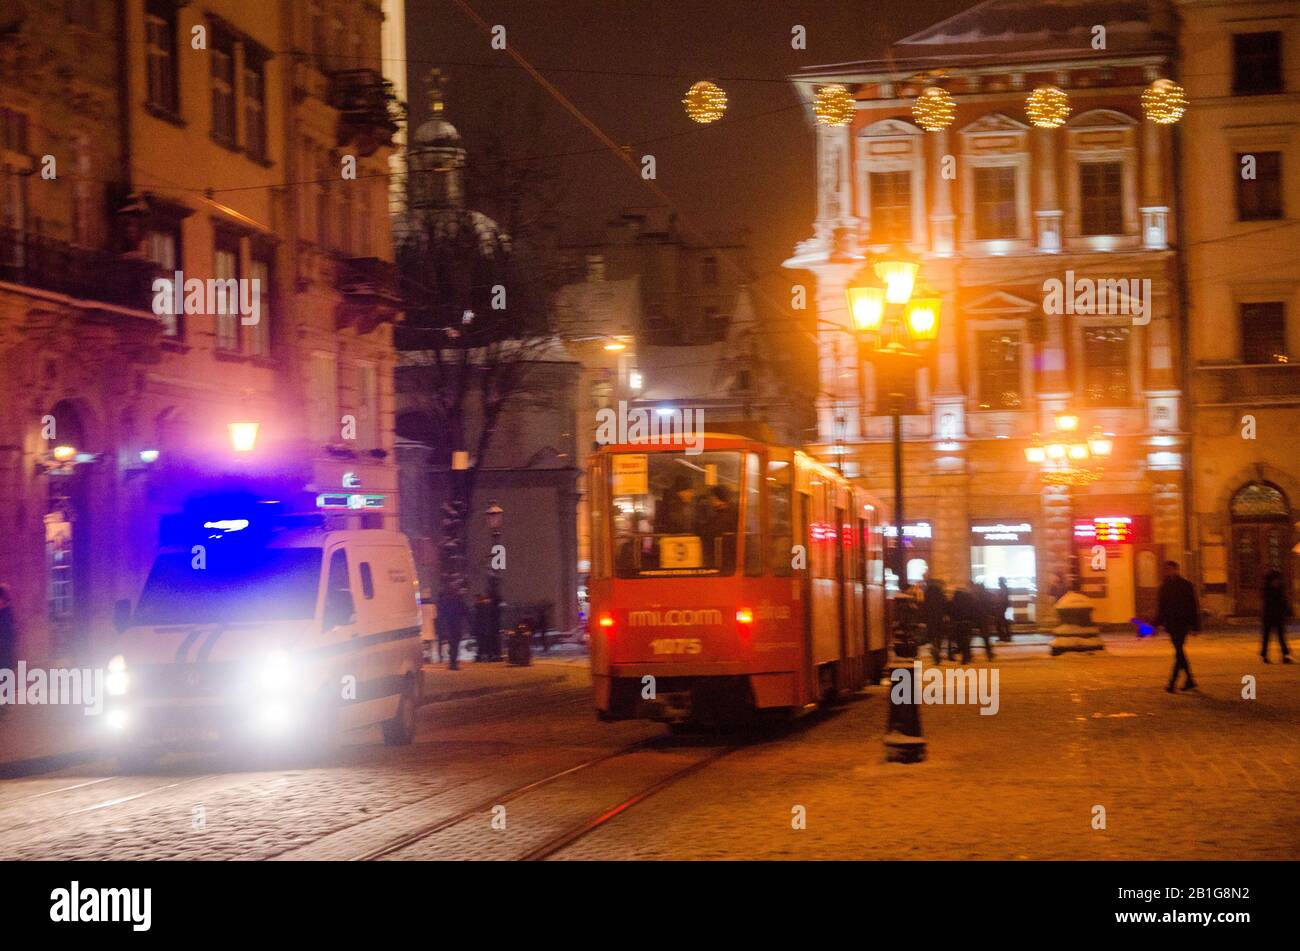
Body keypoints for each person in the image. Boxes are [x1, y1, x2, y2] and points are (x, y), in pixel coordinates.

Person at [1155, 560, 1200, 691]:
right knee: (1179, 651)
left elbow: (1193, 605)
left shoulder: (1186, 585)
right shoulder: (1164, 586)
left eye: (1170, 569)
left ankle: (1172, 683)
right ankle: (1189, 680)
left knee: (1179, 651)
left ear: (1176, 569)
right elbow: (1162, 607)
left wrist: (1195, 625)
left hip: (1183, 623)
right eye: (1166, 569)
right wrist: (1158, 623)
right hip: (1171, 624)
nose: (1168, 571)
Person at [699, 485, 738, 571]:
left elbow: (712, 532)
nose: (710, 501)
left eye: (713, 498)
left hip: (723, 559)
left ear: (720, 498)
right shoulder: (727, 512)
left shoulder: (725, 516)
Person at [1260, 570, 1293, 664]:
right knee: (1267, 637)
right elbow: (1269, 605)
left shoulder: (1279, 591)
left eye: (1278, 580)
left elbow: (1284, 603)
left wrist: (1288, 613)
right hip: (1269, 617)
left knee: (1281, 638)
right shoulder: (1267, 591)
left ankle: (1285, 655)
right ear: (1271, 581)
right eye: (1276, 580)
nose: (1278, 582)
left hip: (1278, 618)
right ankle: (1265, 655)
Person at [436, 588, 467, 670]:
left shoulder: (446, 602)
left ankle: (452, 662)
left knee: (452, 643)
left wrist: (441, 625)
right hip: (457, 625)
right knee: (456, 645)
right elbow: (466, 612)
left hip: (449, 626)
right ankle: (453, 662)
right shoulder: (459, 602)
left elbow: (441, 613)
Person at [921, 574, 948, 664]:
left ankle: (935, 651)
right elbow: (945, 605)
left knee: (932, 637)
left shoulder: (927, 594)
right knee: (939, 636)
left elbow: (924, 607)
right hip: (939, 618)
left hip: (930, 619)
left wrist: (924, 618)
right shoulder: (941, 594)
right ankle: (937, 651)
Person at [0, 584, 15, 719]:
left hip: (4, 654)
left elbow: (8, 635)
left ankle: (4, 708)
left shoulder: (6, 613)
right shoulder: (6, 613)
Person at [473, 594, 494, 662]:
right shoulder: (487, 607)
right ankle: (488, 656)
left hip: (481, 628)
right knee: (486, 643)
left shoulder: (479, 606)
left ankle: (481, 656)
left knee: (481, 643)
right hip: (486, 628)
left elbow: (477, 618)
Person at [996, 577, 1013, 642]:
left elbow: (1003, 598)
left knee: (1000, 622)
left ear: (1001, 582)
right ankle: (1004, 637)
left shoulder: (1003, 588)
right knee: (1001, 622)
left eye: (999, 581)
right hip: (1001, 607)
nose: (998, 582)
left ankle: (1005, 636)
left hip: (1001, 607)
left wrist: (998, 603)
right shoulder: (1003, 588)